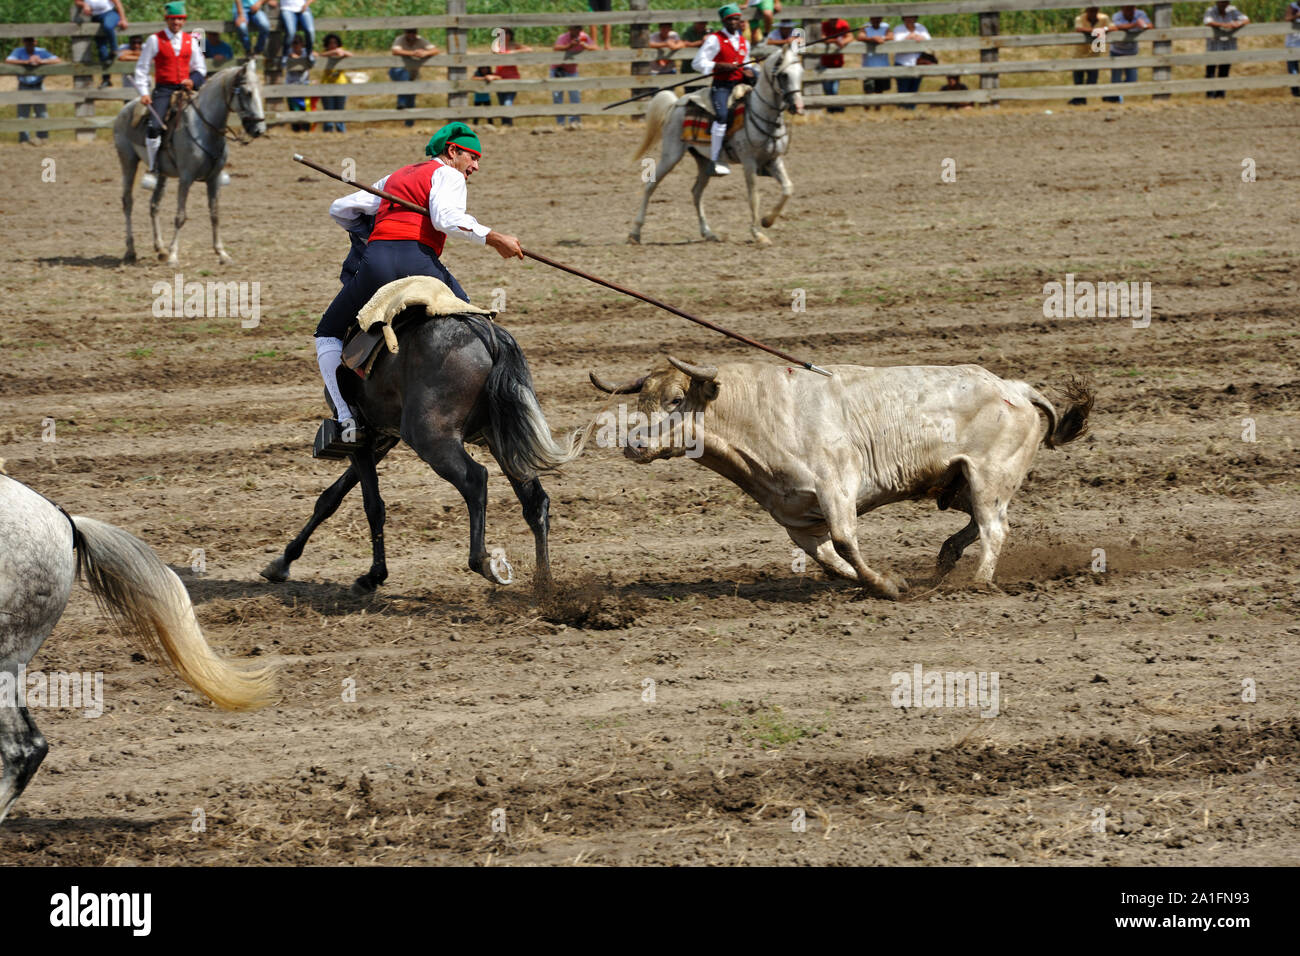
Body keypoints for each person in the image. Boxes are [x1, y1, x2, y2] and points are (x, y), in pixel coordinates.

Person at [313, 123, 524, 440]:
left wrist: (373, 233)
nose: (476, 166)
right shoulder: (449, 174)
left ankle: (346, 420)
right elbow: (446, 219)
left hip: (376, 265)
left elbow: (340, 209)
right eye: (473, 157)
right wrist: (494, 238)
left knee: (328, 332)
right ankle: (487, 406)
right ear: (453, 151)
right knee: (474, 323)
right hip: (418, 263)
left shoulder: (395, 177)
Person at [134, 2, 206, 188]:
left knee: (209, 119)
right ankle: (153, 167)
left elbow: (200, 68)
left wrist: (192, 81)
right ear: (167, 19)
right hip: (164, 90)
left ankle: (212, 165)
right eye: (173, 19)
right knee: (155, 126)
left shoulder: (192, 41)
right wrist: (143, 92)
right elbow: (142, 68)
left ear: (184, 21)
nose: (177, 22)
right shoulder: (154, 40)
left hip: (186, 89)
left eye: (180, 19)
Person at [691, 5, 753, 176]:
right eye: (730, 19)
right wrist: (718, 65)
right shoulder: (714, 39)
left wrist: (751, 70)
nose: (734, 22)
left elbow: (746, 62)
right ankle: (716, 158)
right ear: (724, 21)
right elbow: (697, 63)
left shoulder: (744, 42)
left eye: (737, 19)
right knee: (722, 116)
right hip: (722, 86)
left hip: (741, 85)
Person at [6, 39, 61, 144]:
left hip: (38, 85)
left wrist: (41, 61)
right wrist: (26, 62)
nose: (29, 43)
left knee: (42, 113)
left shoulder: (41, 51)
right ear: (24, 42)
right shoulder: (18, 51)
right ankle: (24, 140)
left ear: (35, 42)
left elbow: (57, 60)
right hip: (24, 85)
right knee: (22, 114)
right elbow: (8, 60)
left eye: (31, 41)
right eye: (27, 41)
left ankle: (43, 138)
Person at [390, 28, 438, 127]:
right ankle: (401, 102)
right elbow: (395, 51)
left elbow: (435, 50)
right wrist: (413, 53)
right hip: (399, 70)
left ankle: (409, 124)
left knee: (411, 96)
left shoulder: (421, 40)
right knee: (404, 77)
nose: (411, 34)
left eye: (413, 32)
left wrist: (425, 53)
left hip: (413, 71)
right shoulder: (400, 39)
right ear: (405, 33)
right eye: (409, 32)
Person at [76, 0, 129, 88]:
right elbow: (77, 1)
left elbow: (118, 3)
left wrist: (123, 19)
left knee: (108, 26)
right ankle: (106, 79)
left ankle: (114, 49)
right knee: (102, 49)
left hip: (109, 13)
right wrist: (84, 4)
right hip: (95, 17)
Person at [552, 25, 596, 128]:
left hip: (571, 70)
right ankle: (560, 123)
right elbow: (556, 48)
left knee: (575, 96)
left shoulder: (584, 37)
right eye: (574, 28)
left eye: (578, 29)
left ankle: (575, 122)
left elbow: (595, 47)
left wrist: (586, 46)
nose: (577, 31)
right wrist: (569, 46)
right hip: (558, 68)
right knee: (557, 97)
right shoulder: (563, 37)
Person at [1203, 1, 1249, 98]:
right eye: (1222, 2)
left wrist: (1237, 23)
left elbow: (1246, 19)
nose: (1224, 4)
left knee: (1224, 72)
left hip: (1228, 46)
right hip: (1214, 46)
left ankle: (1220, 95)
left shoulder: (1232, 10)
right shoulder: (1210, 10)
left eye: (1226, 2)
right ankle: (1210, 95)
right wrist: (1224, 25)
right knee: (1210, 72)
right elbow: (1207, 21)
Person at [1105, 5, 1150, 102]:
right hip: (1117, 51)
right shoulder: (1117, 15)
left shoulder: (1140, 14)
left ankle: (1111, 95)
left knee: (1132, 80)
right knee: (1115, 80)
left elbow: (1149, 25)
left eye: (1132, 8)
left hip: (1132, 52)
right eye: (1127, 8)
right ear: (1122, 8)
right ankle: (1114, 100)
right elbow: (1117, 26)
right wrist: (1135, 25)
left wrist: (1144, 25)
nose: (1130, 11)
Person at [487, 28, 530, 126]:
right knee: (502, 103)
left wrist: (514, 52)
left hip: (512, 77)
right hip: (499, 77)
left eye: (506, 33)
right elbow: (494, 52)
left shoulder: (514, 45)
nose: (504, 36)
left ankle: (508, 124)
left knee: (507, 102)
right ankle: (506, 125)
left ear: (510, 35)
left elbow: (529, 49)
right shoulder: (497, 46)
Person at [1070, 7, 1111, 105]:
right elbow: (1079, 28)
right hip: (1080, 54)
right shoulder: (1080, 18)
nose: (1093, 13)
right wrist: (1097, 31)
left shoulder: (1104, 18)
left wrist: (1103, 29)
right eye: (1091, 10)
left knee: (1092, 81)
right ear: (1087, 11)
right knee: (1078, 80)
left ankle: (1083, 98)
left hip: (1095, 53)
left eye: (1095, 10)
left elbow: (1112, 27)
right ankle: (1079, 100)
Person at [891, 14, 931, 110]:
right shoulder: (898, 29)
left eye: (912, 17)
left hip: (918, 63)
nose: (910, 19)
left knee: (914, 88)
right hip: (902, 63)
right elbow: (895, 44)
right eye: (907, 17)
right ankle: (902, 109)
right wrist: (909, 38)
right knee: (903, 88)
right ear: (903, 18)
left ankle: (912, 109)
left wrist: (921, 38)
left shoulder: (921, 27)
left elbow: (929, 40)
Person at [817, 14, 851, 113]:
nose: (834, 21)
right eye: (832, 19)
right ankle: (832, 107)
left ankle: (833, 107)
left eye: (835, 19)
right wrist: (836, 41)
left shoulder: (843, 24)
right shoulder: (823, 25)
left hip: (837, 61)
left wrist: (844, 41)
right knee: (827, 87)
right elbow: (823, 38)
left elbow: (850, 36)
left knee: (834, 87)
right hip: (825, 61)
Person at [858, 16, 891, 107]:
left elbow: (891, 36)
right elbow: (860, 37)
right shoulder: (865, 27)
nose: (876, 20)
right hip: (869, 64)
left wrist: (881, 38)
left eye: (878, 18)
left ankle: (877, 109)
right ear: (870, 19)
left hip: (882, 64)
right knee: (868, 89)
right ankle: (867, 109)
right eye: (874, 18)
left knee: (880, 90)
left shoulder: (885, 26)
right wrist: (872, 39)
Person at [284, 32, 314, 130]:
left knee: (305, 109)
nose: (295, 45)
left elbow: (315, 55)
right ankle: (296, 130)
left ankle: (306, 130)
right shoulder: (288, 52)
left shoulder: (306, 52)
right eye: (293, 43)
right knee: (294, 110)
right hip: (291, 86)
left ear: (302, 44)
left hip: (304, 85)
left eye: (297, 43)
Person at [280, 0, 316, 64]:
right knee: (291, 32)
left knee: (310, 31)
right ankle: (285, 54)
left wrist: (307, 4)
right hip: (287, 9)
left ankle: (309, 53)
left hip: (303, 9)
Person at [1287, 2, 1300, 96]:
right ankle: (1295, 92)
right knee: (1293, 68)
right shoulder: (1293, 6)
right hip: (1292, 43)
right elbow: (1287, 18)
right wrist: (1297, 16)